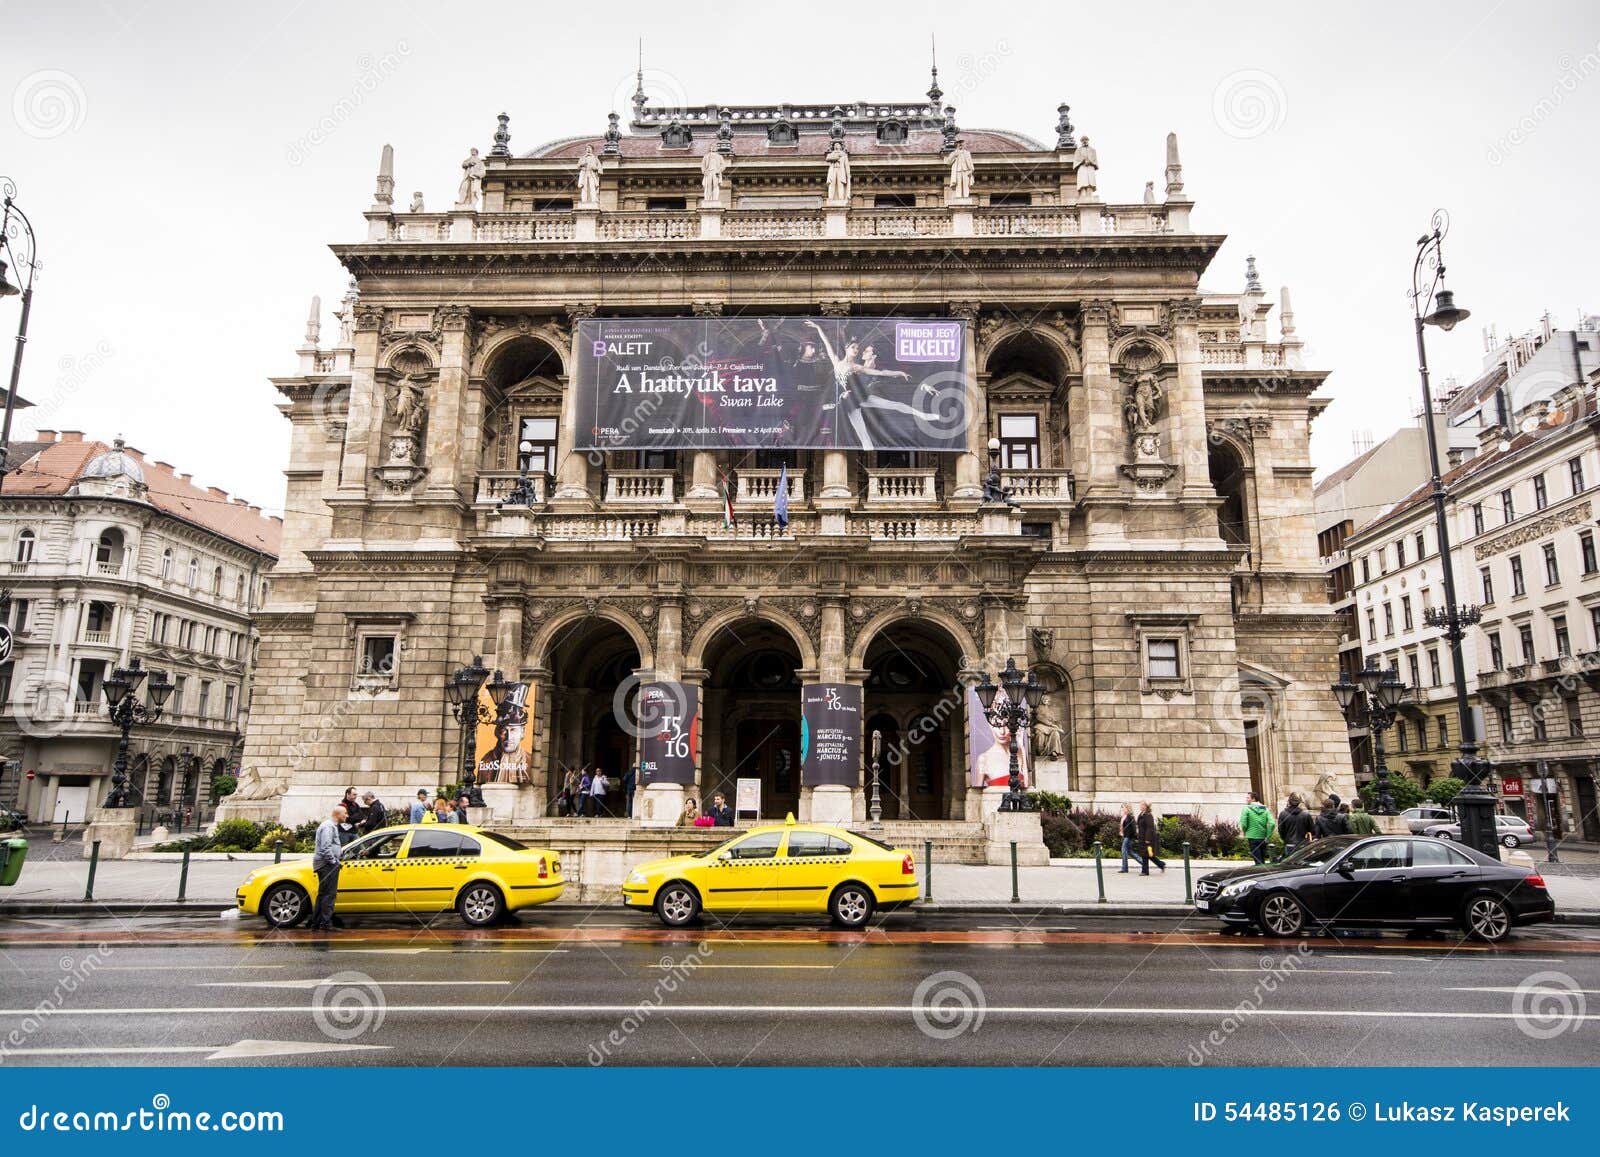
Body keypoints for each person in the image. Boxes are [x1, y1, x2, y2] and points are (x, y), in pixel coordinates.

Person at [310, 804, 346, 931]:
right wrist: (334, 862)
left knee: (323, 894)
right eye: (344, 813)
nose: (346, 816)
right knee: (329, 895)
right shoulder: (328, 827)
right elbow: (326, 847)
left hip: (325, 864)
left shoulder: (330, 826)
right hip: (327, 865)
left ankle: (317, 922)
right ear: (338, 814)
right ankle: (325, 923)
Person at [1239, 791, 1275, 864]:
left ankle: (1260, 874)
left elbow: (1243, 824)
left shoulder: (1246, 809)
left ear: (1253, 799)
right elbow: (1272, 823)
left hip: (1252, 837)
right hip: (1263, 838)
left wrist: (1245, 831)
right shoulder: (1265, 809)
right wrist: (1268, 836)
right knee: (1262, 860)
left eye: (1248, 798)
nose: (1246, 799)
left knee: (1258, 862)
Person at [1135, 801, 1167, 875]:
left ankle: (1145, 871)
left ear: (1146, 806)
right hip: (1142, 837)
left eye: (1142, 805)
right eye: (1141, 805)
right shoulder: (1141, 814)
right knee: (1148, 855)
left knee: (1145, 854)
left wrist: (1147, 839)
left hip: (1147, 838)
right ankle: (1161, 864)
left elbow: (1150, 828)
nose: (1140, 806)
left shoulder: (1148, 815)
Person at [1117, 802, 1147, 874]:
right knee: (1130, 852)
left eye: (1124, 807)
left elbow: (1133, 828)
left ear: (1128, 808)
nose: (1123, 809)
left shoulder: (1130, 816)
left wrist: (1133, 837)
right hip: (1125, 836)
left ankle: (1124, 868)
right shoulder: (1125, 816)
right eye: (1123, 807)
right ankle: (1144, 864)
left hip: (1128, 837)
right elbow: (1122, 826)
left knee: (1123, 850)